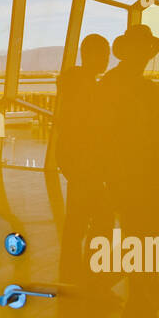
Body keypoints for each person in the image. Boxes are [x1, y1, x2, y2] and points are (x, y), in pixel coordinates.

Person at [97, 24, 159, 318]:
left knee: (142, 241)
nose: (146, 56)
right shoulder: (136, 87)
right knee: (148, 241)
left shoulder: (113, 84)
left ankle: (137, 312)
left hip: (127, 176)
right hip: (139, 177)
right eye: (144, 50)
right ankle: (141, 315)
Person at [51, 34, 112, 284]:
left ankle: (72, 275)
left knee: (78, 220)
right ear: (92, 55)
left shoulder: (74, 83)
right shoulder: (86, 86)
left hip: (78, 163)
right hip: (88, 164)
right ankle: (91, 278)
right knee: (101, 221)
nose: (107, 59)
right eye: (105, 54)